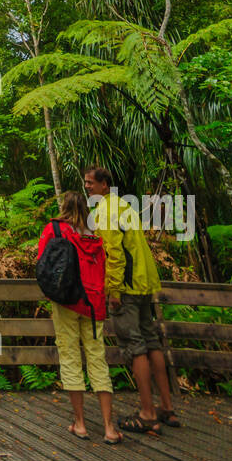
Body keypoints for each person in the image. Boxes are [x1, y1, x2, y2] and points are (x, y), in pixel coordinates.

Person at [83, 165, 182, 436]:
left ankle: (148, 413)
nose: (88, 187)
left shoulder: (104, 211)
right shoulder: (125, 207)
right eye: (86, 183)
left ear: (105, 185)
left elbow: (113, 253)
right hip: (143, 284)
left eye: (91, 183)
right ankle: (167, 407)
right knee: (152, 342)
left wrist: (112, 290)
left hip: (125, 288)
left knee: (134, 346)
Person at [37, 190, 123, 444]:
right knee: (98, 360)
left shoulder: (54, 230)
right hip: (94, 304)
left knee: (70, 358)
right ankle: (108, 428)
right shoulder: (94, 235)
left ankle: (81, 424)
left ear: (63, 206)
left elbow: (43, 264)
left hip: (66, 302)